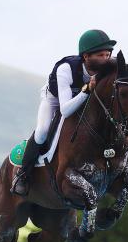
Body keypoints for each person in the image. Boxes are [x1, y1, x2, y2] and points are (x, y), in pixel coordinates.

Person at [10, 29, 116, 196]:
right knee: (43, 131)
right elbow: (65, 110)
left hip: (83, 99)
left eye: (108, 54)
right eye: (100, 55)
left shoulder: (110, 67)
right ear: (86, 56)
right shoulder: (66, 68)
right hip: (55, 99)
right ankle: (23, 174)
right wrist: (87, 89)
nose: (106, 59)